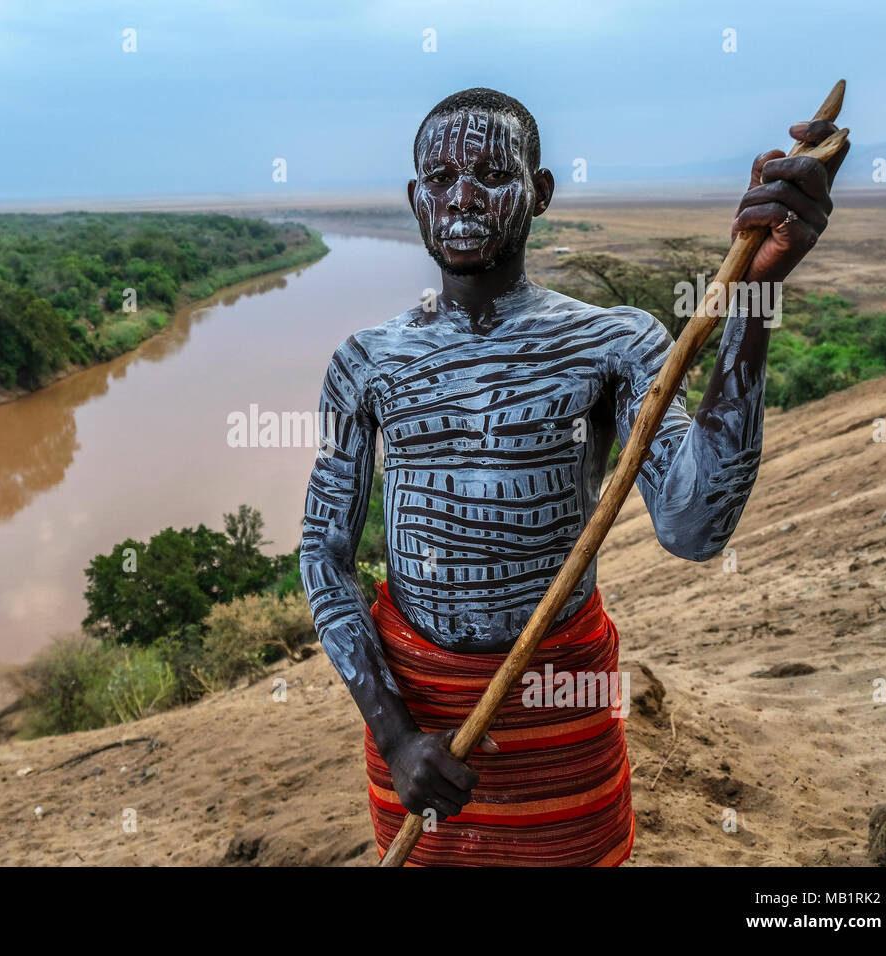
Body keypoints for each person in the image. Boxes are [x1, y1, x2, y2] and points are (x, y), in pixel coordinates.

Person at [299, 87, 846, 865]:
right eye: (441, 177)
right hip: (418, 720)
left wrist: (756, 295)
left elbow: (695, 529)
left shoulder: (613, 344)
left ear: (540, 192)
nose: (462, 197)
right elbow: (324, 556)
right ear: (414, 199)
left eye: (492, 174)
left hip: (563, 704)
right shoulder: (366, 363)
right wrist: (395, 736)